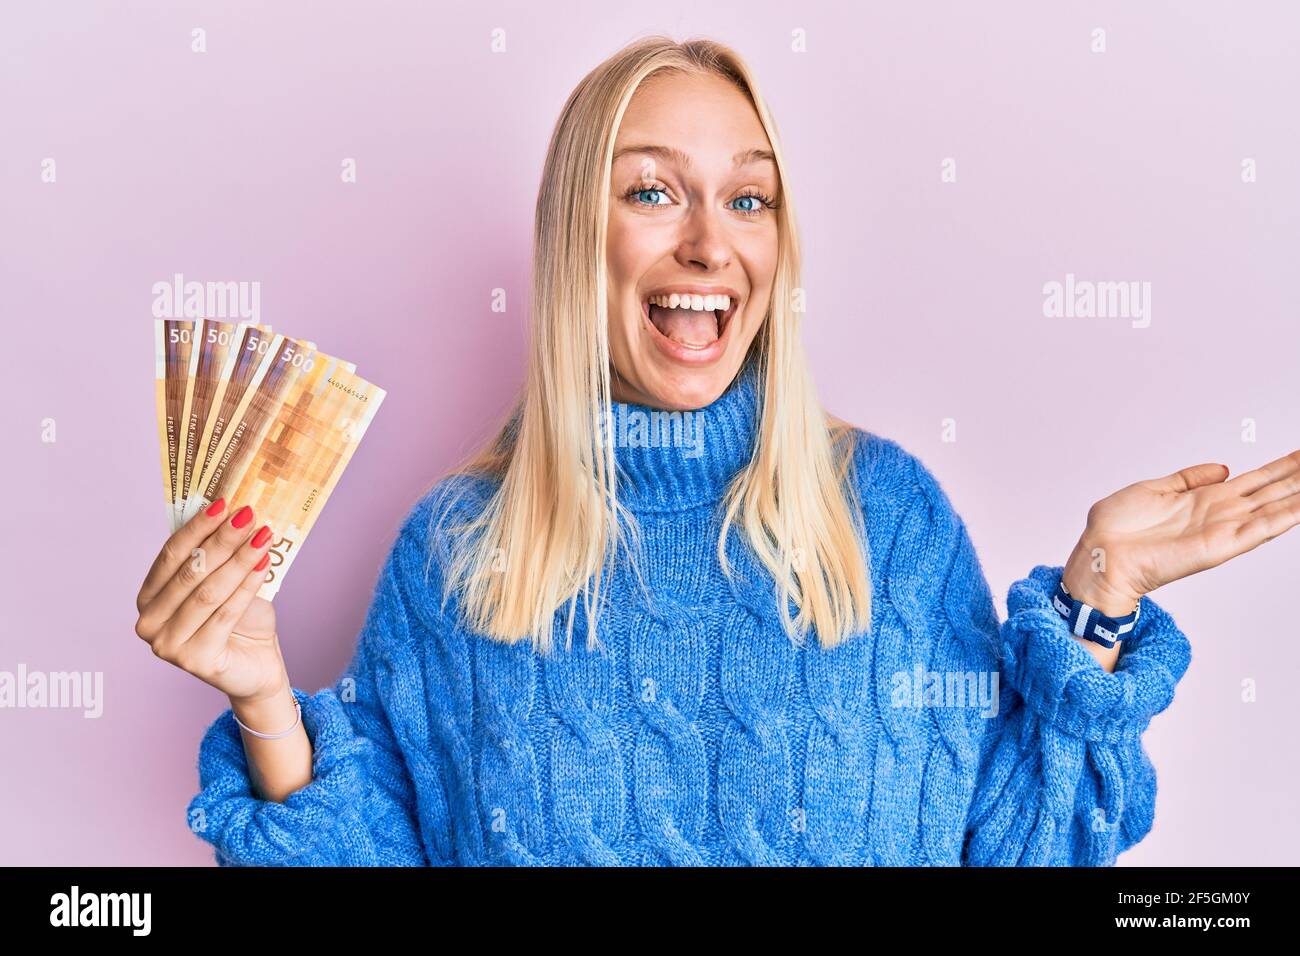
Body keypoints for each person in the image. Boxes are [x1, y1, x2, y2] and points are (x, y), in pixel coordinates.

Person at [135, 36, 1300, 866]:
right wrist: (262, 695)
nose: (708, 244)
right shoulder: (457, 554)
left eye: (749, 200)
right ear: (572, 234)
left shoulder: (884, 520)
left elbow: (1017, 849)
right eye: (652, 191)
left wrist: (1103, 587)